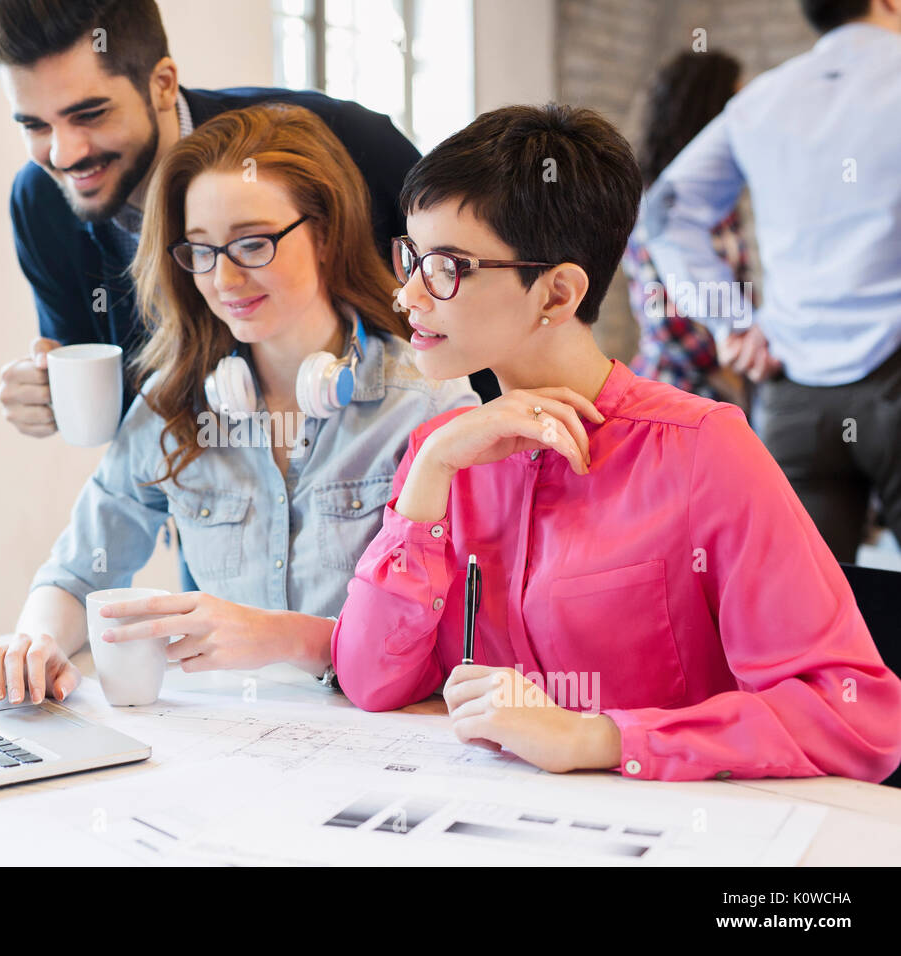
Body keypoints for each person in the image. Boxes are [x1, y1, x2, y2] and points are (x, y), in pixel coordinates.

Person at [329, 104, 901, 784]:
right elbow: (371, 681)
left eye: (448, 266)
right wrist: (427, 477)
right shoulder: (445, 450)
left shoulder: (702, 451)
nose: (408, 294)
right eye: (412, 257)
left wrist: (599, 737)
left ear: (558, 293)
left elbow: (855, 716)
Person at [0, 104, 479, 704]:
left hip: (386, 740)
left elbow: (462, 640)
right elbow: (79, 573)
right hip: (231, 748)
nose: (224, 280)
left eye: (252, 244)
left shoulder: (425, 407)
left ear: (324, 233)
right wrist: (35, 642)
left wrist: (287, 638)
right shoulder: (175, 405)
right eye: (202, 251)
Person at [0, 0, 500, 438]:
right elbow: (113, 399)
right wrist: (46, 395)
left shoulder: (341, 140)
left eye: (90, 114)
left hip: (412, 484)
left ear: (162, 83)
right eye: (34, 125)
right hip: (220, 504)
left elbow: (479, 302)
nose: (64, 154)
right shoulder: (40, 201)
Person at [638, 0, 901, 562]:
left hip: (794, 396)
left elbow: (663, 213)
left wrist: (731, 321)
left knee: (812, 611)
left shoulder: (762, 100)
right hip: (892, 372)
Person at [622, 49, 756, 407]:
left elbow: (737, 288)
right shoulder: (653, 205)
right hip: (677, 390)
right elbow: (667, 323)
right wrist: (735, 362)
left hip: (730, 380)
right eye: (736, 103)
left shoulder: (718, 204)